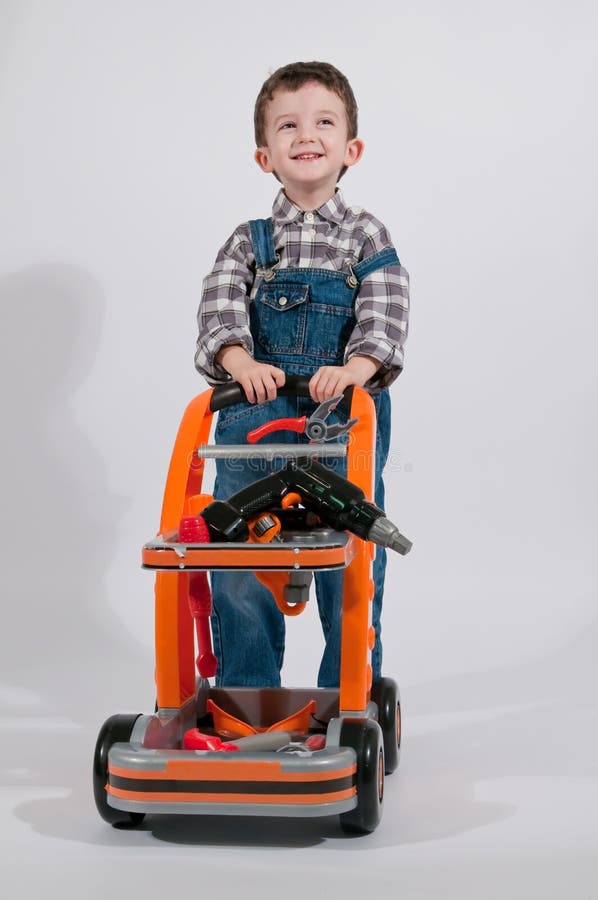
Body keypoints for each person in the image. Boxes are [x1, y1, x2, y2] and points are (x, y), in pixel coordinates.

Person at [194, 61, 409, 688]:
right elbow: (218, 305)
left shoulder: (366, 237)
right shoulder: (247, 242)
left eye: (323, 122)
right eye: (287, 125)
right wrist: (240, 362)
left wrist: (355, 369)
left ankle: (347, 692)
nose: (305, 135)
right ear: (265, 156)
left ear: (352, 148)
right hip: (252, 432)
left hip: (340, 432)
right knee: (237, 560)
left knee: (350, 560)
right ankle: (246, 693)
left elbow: (387, 310)